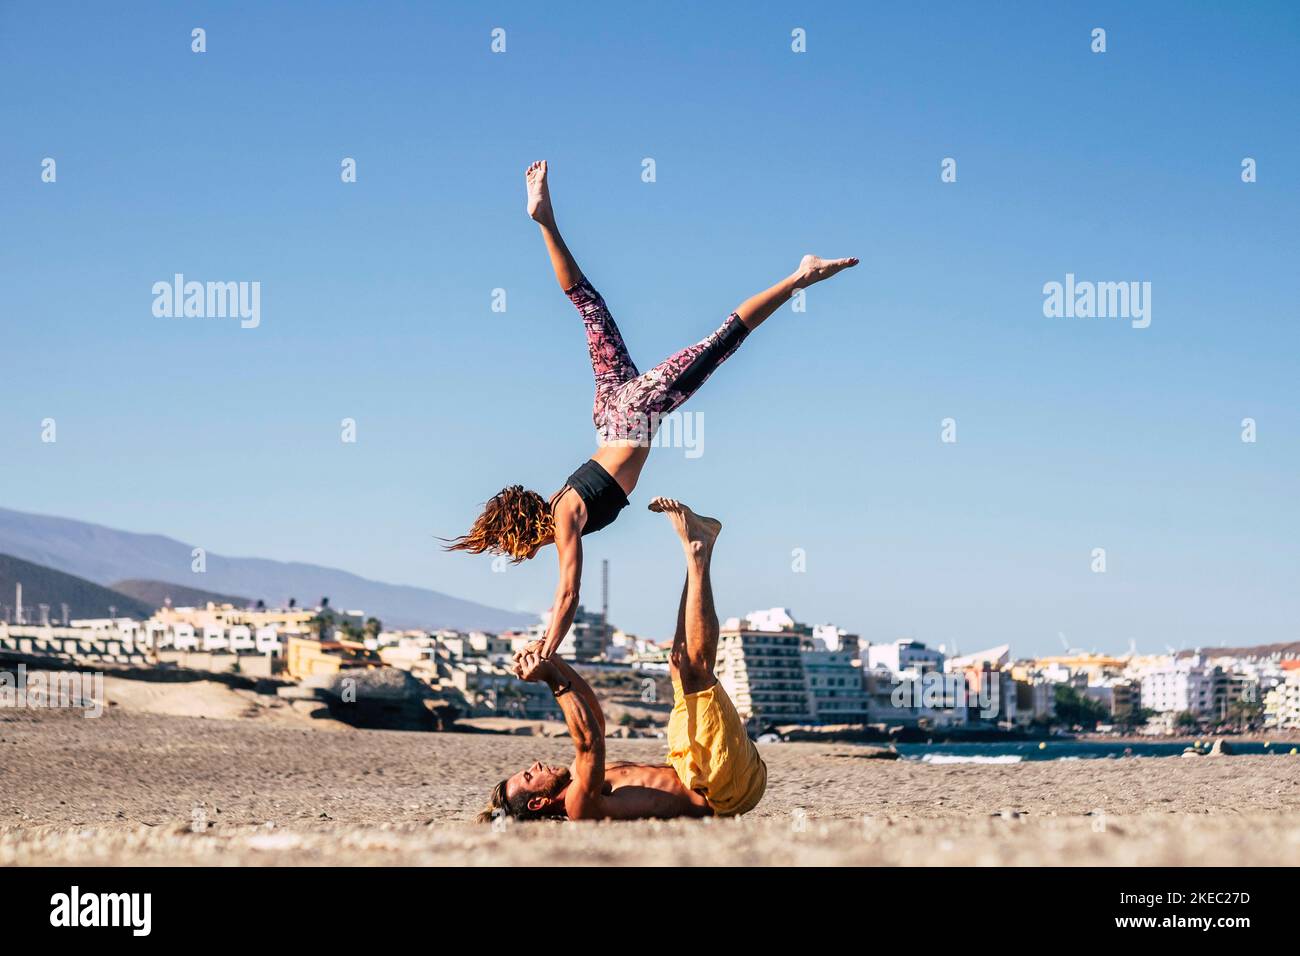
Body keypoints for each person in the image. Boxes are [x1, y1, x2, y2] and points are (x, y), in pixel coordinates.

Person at [448, 160, 856, 659]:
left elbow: (569, 593)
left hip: (632, 413)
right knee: (589, 305)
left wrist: (548, 647)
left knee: (722, 341)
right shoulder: (560, 506)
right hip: (610, 412)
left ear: (518, 533)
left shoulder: (564, 516)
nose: (517, 556)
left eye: (510, 548)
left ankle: (801, 275)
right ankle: (545, 219)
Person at [478, 496, 765, 821]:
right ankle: (697, 550)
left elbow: (596, 723)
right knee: (696, 674)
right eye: (529, 777)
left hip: (694, 764)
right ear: (538, 803)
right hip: (722, 788)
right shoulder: (579, 804)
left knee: (678, 661)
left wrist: (550, 657)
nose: (534, 766)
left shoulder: (578, 777)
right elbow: (589, 743)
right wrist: (552, 679)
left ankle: (701, 547)